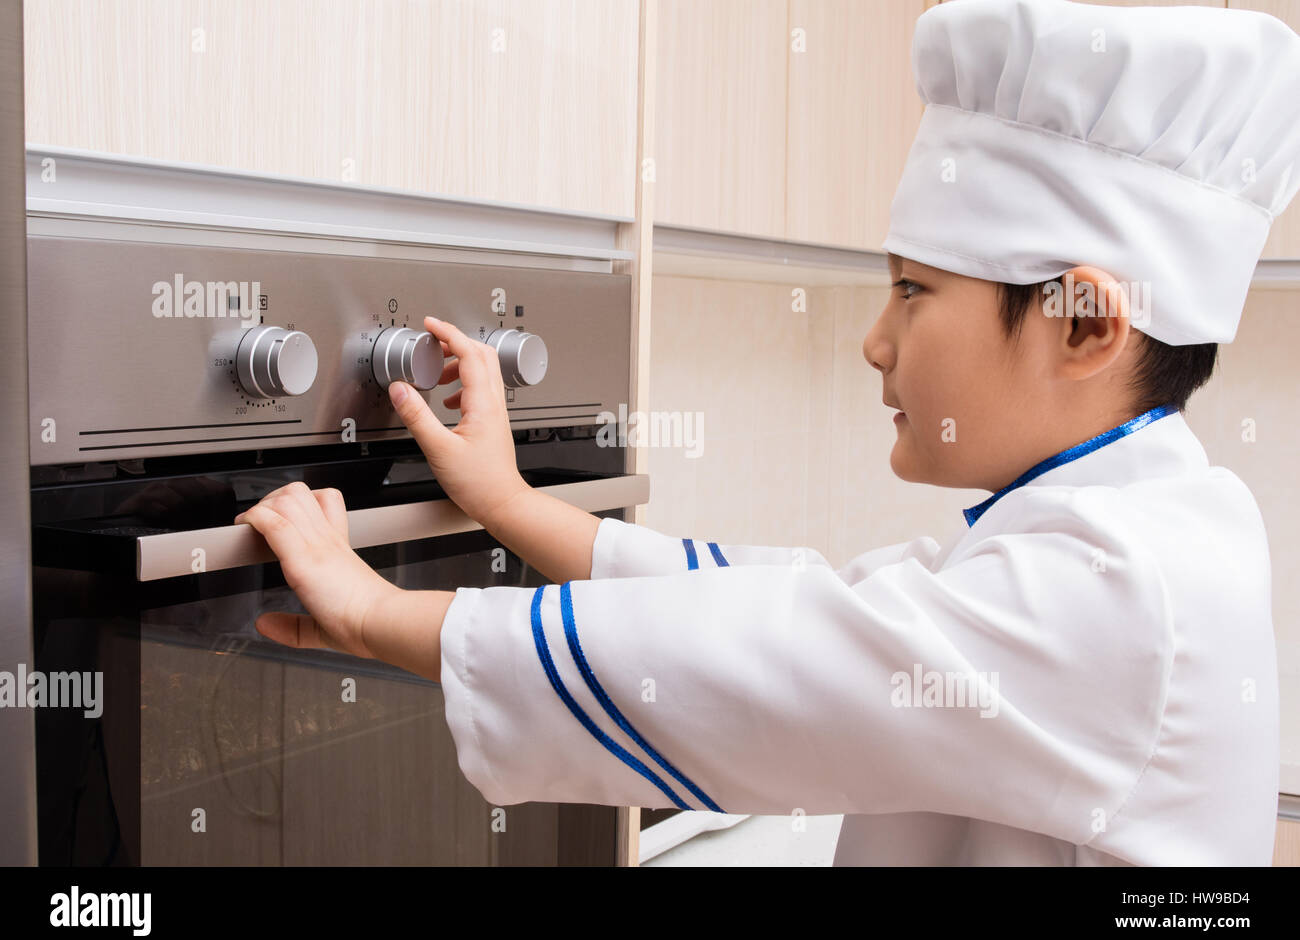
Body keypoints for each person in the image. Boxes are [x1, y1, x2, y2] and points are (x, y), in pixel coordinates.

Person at [234, 0, 1300, 864]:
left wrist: (380, 614)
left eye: (914, 292)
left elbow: (788, 658)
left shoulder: (1120, 584)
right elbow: (820, 602)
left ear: (1082, 324)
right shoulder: (1136, 525)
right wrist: (514, 509)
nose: (875, 342)